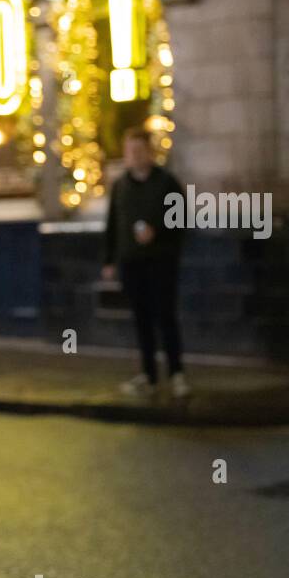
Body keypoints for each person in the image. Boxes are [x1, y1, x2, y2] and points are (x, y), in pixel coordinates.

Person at [101, 127, 191, 399]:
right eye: (130, 152)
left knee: (165, 317)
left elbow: (182, 221)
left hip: (160, 262)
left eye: (139, 151)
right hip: (132, 262)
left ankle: (176, 372)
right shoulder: (120, 186)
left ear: (150, 153)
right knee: (141, 320)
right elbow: (112, 224)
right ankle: (149, 375)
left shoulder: (166, 183)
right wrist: (109, 260)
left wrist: (157, 232)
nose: (134, 157)